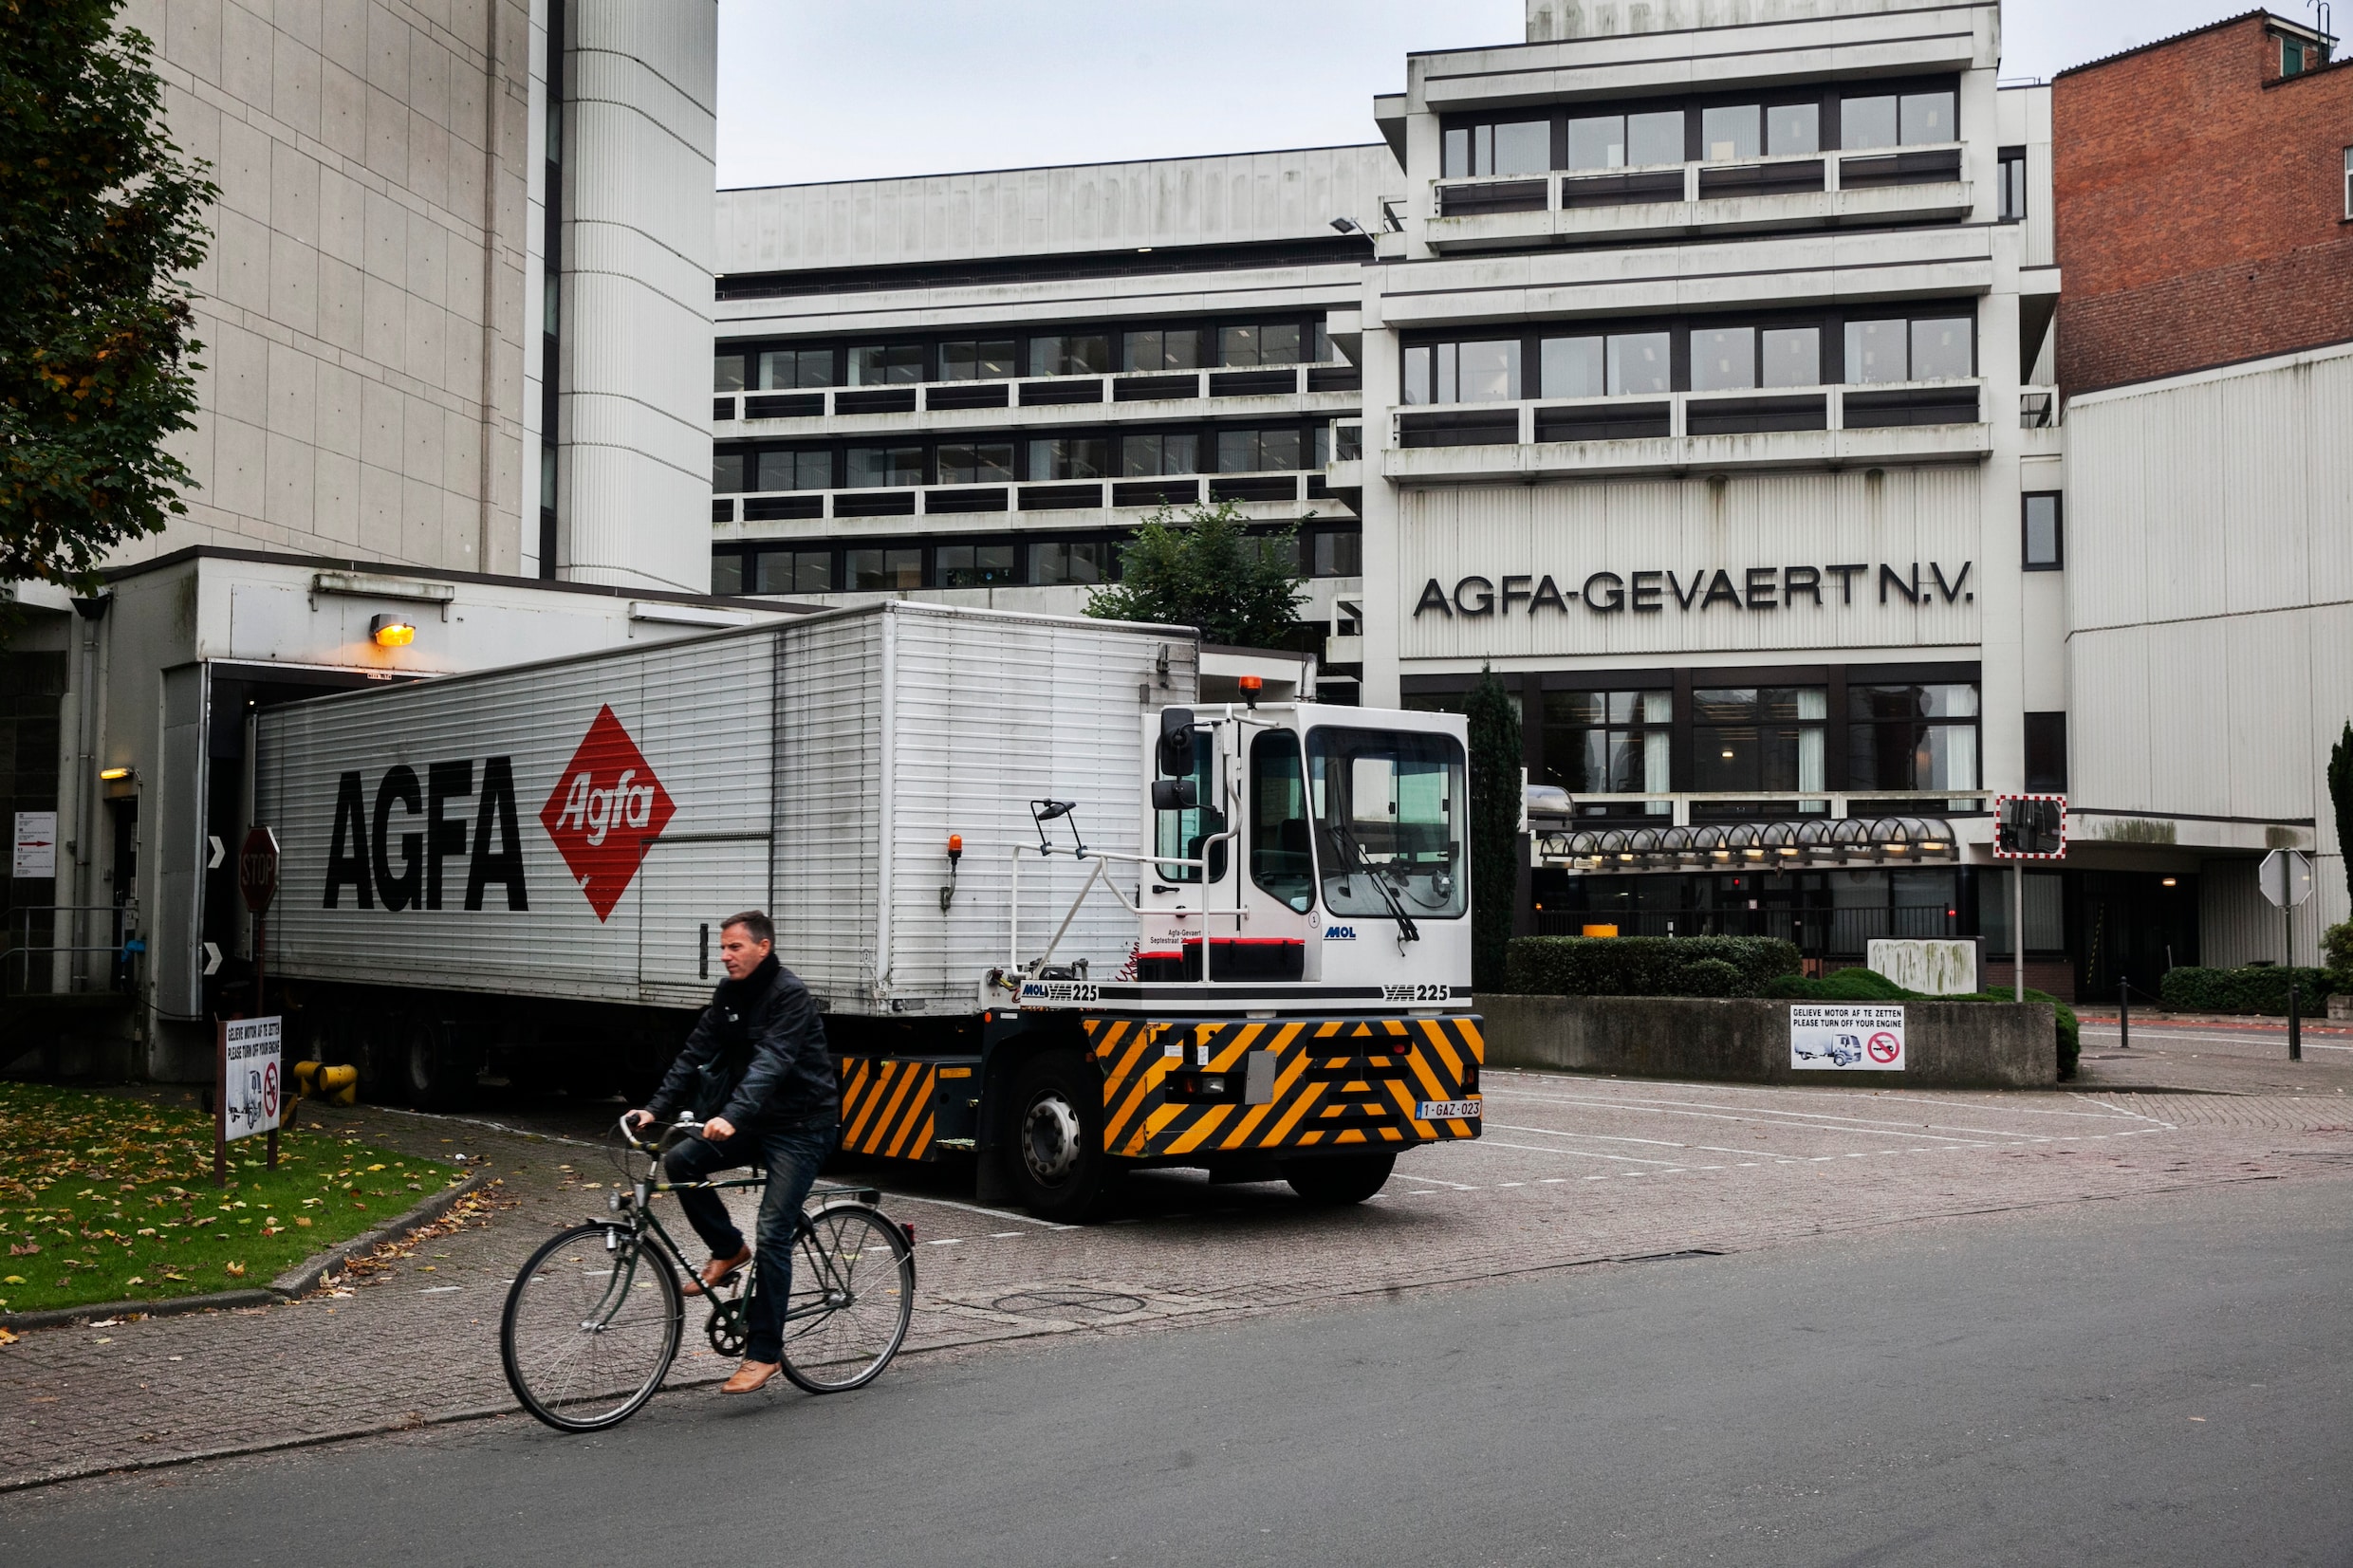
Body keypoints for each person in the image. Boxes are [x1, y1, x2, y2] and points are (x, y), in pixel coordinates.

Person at [627, 911, 839, 1394]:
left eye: (734, 947)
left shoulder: (790, 995)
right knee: (681, 1160)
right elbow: (694, 1051)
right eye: (722, 947)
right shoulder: (729, 995)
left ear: (762, 948)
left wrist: (734, 1114)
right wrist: (654, 1107)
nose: (724, 955)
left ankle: (764, 1354)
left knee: (774, 1232)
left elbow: (773, 1062)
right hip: (755, 1121)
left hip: (802, 1127)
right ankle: (728, 1249)